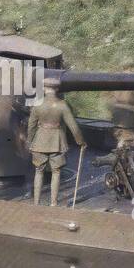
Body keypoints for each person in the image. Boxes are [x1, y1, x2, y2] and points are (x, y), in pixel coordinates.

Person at [27, 77, 85, 206]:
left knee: (38, 171)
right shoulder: (62, 105)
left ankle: (36, 203)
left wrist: (29, 141)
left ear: (43, 88)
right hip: (57, 143)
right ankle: (53, 203)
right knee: (56, 172)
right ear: (57, 89)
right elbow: (73, 126)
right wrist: (80, 141)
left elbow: (31, 125)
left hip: (39, 142)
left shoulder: (37, 104)